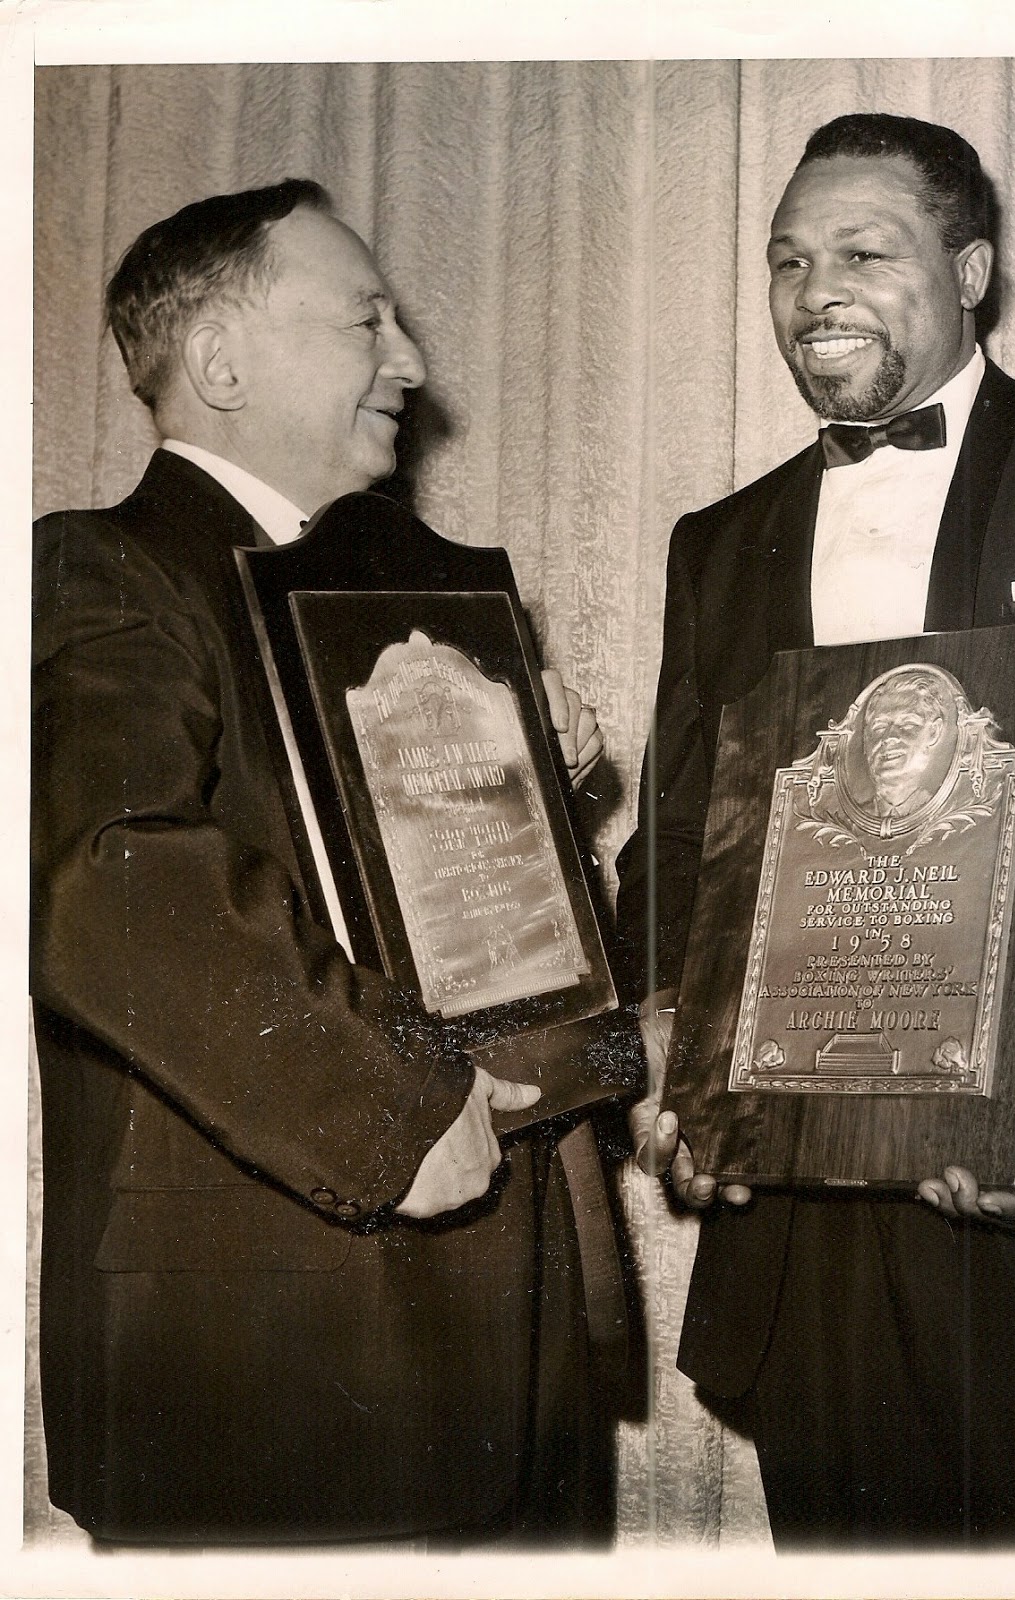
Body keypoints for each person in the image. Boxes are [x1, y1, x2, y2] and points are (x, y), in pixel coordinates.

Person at [616, 113, 1015, 1544]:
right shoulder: (716, 539)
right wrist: (660, 1035)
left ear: (971, 272)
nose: (814, 291)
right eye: (787, 261)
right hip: (799, 1242)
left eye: (863, 253)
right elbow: (679, 842)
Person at [31, 178, 619, 1546]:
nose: (411, 362)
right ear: (222, 363)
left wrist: (536, 795)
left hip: (510, 1343)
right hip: (274, 1362)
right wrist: (387, 1110)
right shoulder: (103, 571)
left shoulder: (405, 597)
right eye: (367, 322)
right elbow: (104, 876)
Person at [860, 671, 951, 818]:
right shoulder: (838, 818)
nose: (889, 737)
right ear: (866, 737)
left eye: (907, 724)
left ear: (934, 732)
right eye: (880, 726)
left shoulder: (948, 814)